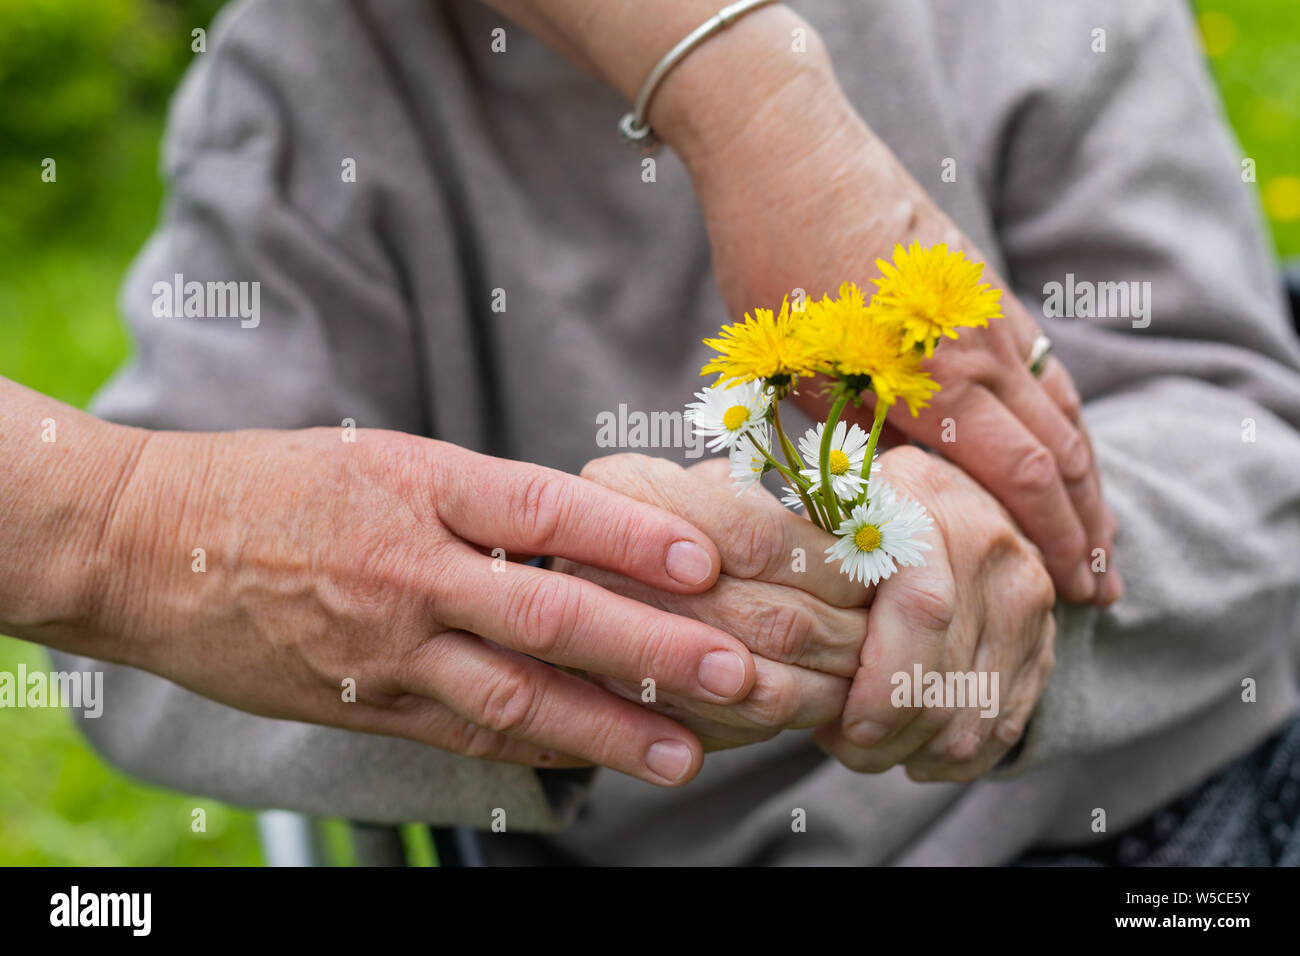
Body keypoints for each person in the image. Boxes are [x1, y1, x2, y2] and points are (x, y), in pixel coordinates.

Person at [43, 0, 1300, 863]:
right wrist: (536, 628)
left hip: (1123, 809)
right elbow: (128, 648)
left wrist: (997, 562)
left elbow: (1251, 437)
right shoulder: (304, 78)